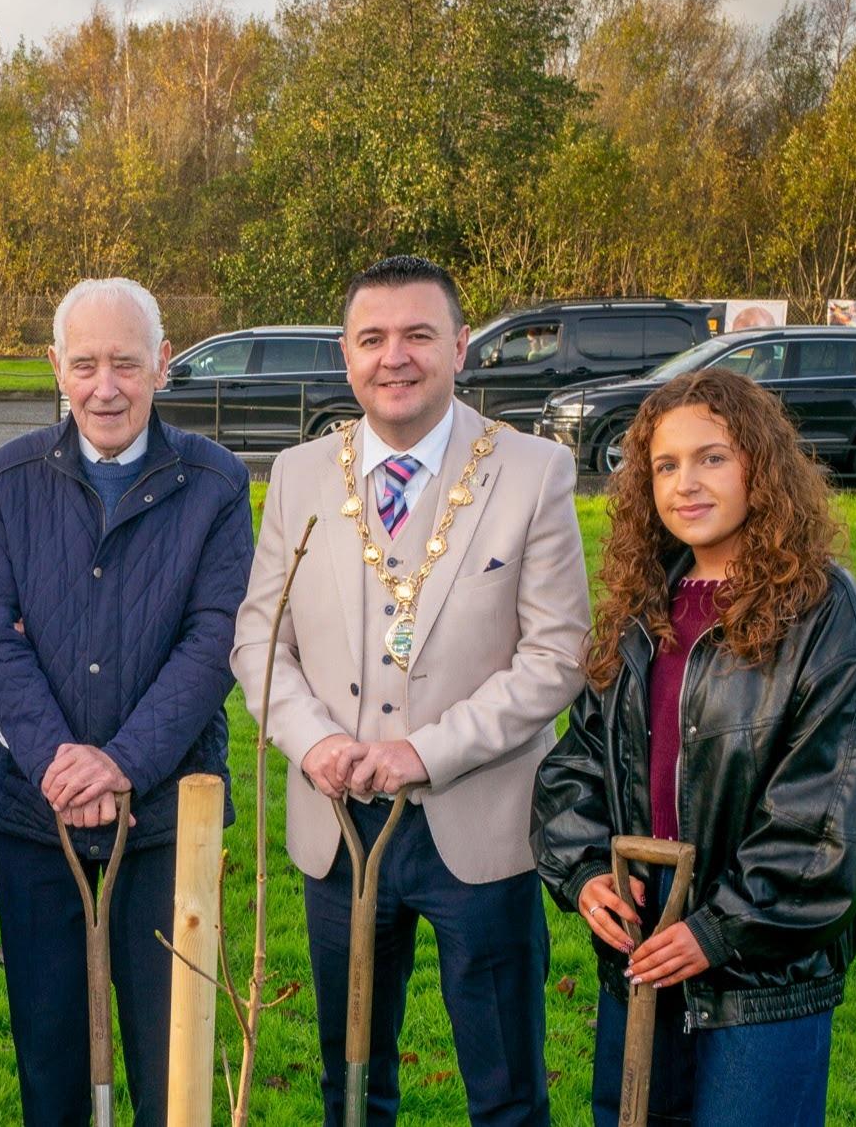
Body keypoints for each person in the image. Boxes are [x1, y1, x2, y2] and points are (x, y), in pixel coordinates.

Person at [230, 255, 589, 1127]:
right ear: (346, 356)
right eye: (372, 338)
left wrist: (420, 753)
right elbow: (257, 640)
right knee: (350, 1084)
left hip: (481, 826)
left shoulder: (534, 470)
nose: (394, 357)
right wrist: (312, 741)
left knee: (505, 1090)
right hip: (336, 825)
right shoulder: (298, 473)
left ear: (460, 347)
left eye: (418, 335)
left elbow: (555, 656)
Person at [533, 368, 856, 1127]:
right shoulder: (642, 606)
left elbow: (828, 822)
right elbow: (578, 763)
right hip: (643, 954)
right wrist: (586, 871)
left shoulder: (824, 615)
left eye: (711, 458)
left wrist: (717, 928)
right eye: (664, 465)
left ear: (760, 464)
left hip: (760, 977)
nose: (685, 483)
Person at [0, 277, 253, 1127]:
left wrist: (122, 763)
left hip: (168, 817)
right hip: (36, 814)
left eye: (125, 363)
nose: (105, 386)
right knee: (49, 1051)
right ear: (54, 367)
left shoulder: (215, 484)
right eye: (84, 363)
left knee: (169, 1057)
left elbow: (214, 641)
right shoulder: (6, 480)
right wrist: (63, 761)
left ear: (162, 365)